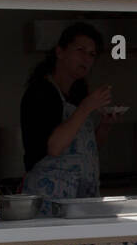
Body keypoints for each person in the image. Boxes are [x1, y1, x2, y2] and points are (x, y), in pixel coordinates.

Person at [21, 23, 118, 213]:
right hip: (51, 202)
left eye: (92, 54)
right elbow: (55, 147)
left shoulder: (78, 93)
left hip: (81, 202)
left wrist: (105, 126)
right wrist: (86, 107)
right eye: (80, 50)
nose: (86, 58)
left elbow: (84, 150)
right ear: (60, 52)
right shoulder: (41, 92)